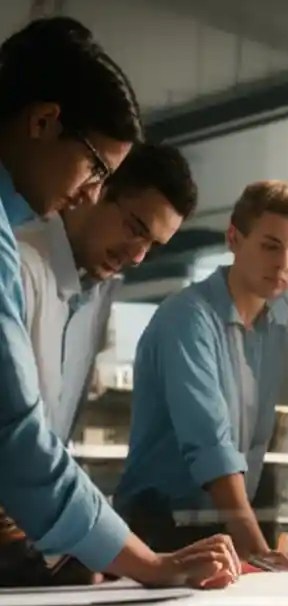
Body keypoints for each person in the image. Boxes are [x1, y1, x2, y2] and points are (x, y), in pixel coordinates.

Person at [0, 16, 236, 589]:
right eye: (97, 169)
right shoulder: (17, 252)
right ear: (43, 121)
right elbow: (15, 434)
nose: (88, 192)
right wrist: (145, 562)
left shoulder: (83, 283)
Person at [113, 180, 288, 571]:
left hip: (224, 529)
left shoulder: (278, 320)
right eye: (271, 246)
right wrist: (258, 551)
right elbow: (210, 443)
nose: (284, 264)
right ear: (234, 239)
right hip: (159, 527)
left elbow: (251, 447)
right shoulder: (187, 317)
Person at [19, 141, 197, 441]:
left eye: (151, 244)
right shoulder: (20, 268)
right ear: (96, 189)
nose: (138, 256)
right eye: (135, 228)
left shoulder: (94, 295)